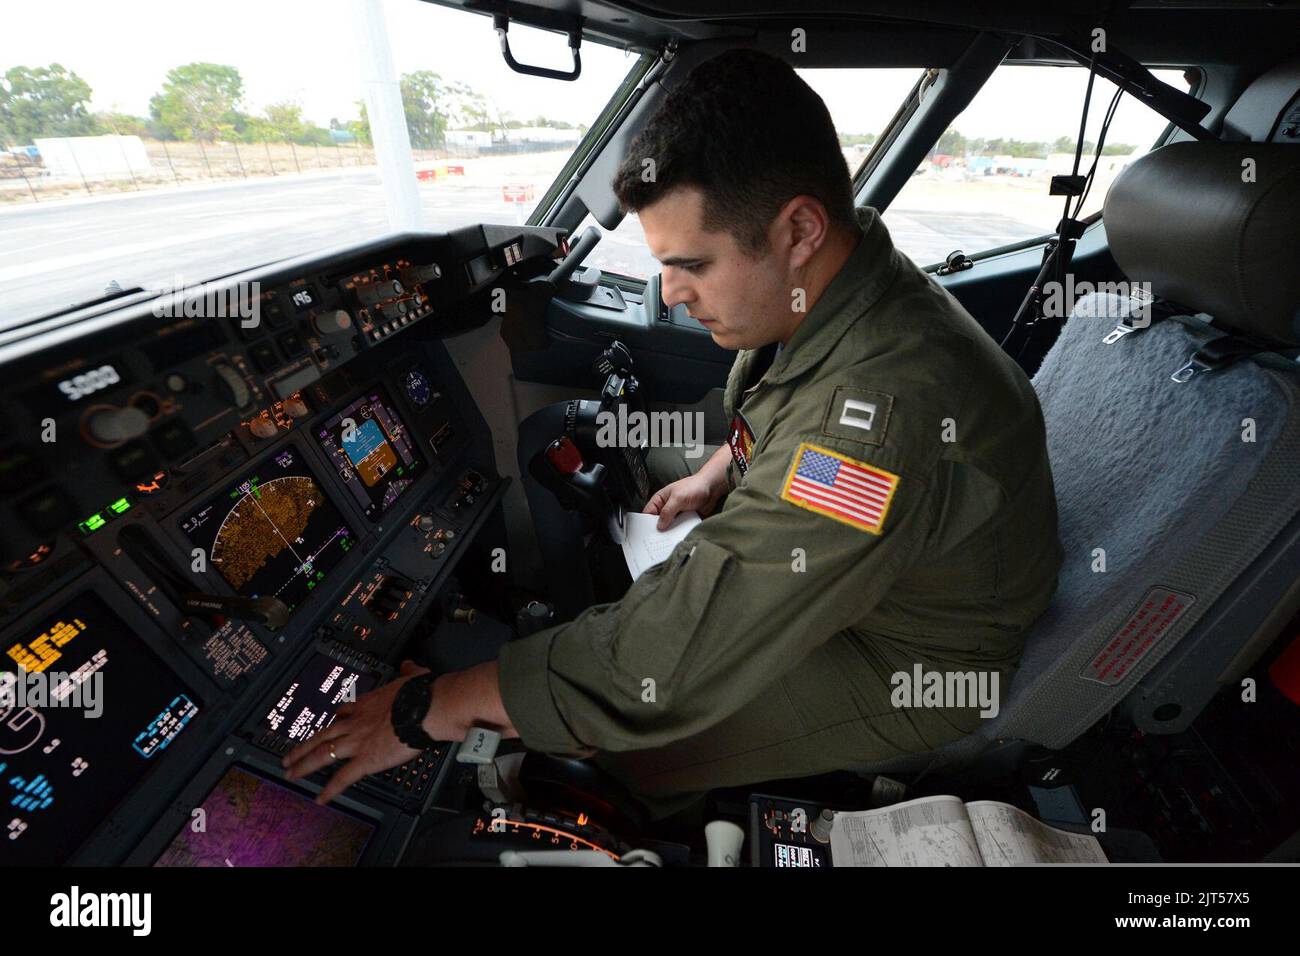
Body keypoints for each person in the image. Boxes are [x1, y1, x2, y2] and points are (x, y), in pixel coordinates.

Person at [284, 49, 1063, 820]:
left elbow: (677, 651)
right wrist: (720, 471)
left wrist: (435, 706)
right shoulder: (839, 289)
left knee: (638, 736)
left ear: (799, 228)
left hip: (911, 655)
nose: (670, 291)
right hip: (893, 570)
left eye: (692, 262)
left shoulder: (875, 420)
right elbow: (794, 407)